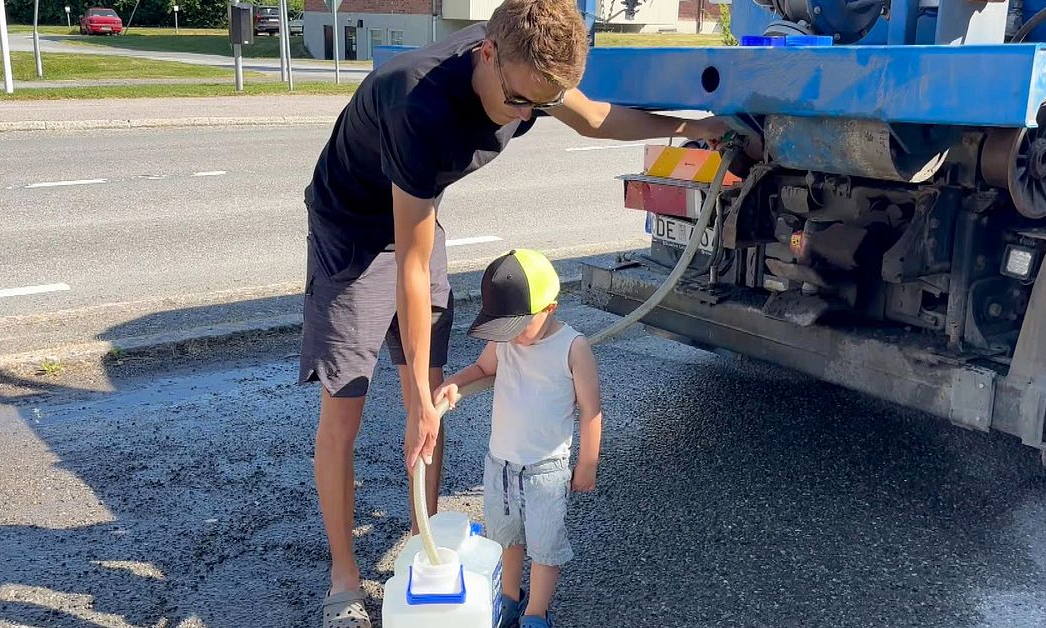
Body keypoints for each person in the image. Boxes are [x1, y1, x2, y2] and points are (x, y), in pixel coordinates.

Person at [303, 0, 729, 624]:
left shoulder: (531, 68)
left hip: (416, 218)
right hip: (351, 231)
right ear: (486, 54)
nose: (528, 115)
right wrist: (419, 393)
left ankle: (429, 551)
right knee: (350, 404)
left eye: (540, 104)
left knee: (432, 396)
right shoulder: (418, 105)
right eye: (519, 102)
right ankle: (344, 580)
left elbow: (593, 120)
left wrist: (688, 130)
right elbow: (410, 271)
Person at [434, 249, 601, 628]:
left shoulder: (572, 348)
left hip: (545, 468)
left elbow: (591, 410)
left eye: (517, 325)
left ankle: (535, 613)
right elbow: (481, 367)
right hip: (500, 465)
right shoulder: (504, 339)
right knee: (506, 538)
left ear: (551, 308)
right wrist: (453, 384)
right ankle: (510, 598)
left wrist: (587, 463)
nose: (509, 335)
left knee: (544, 546)